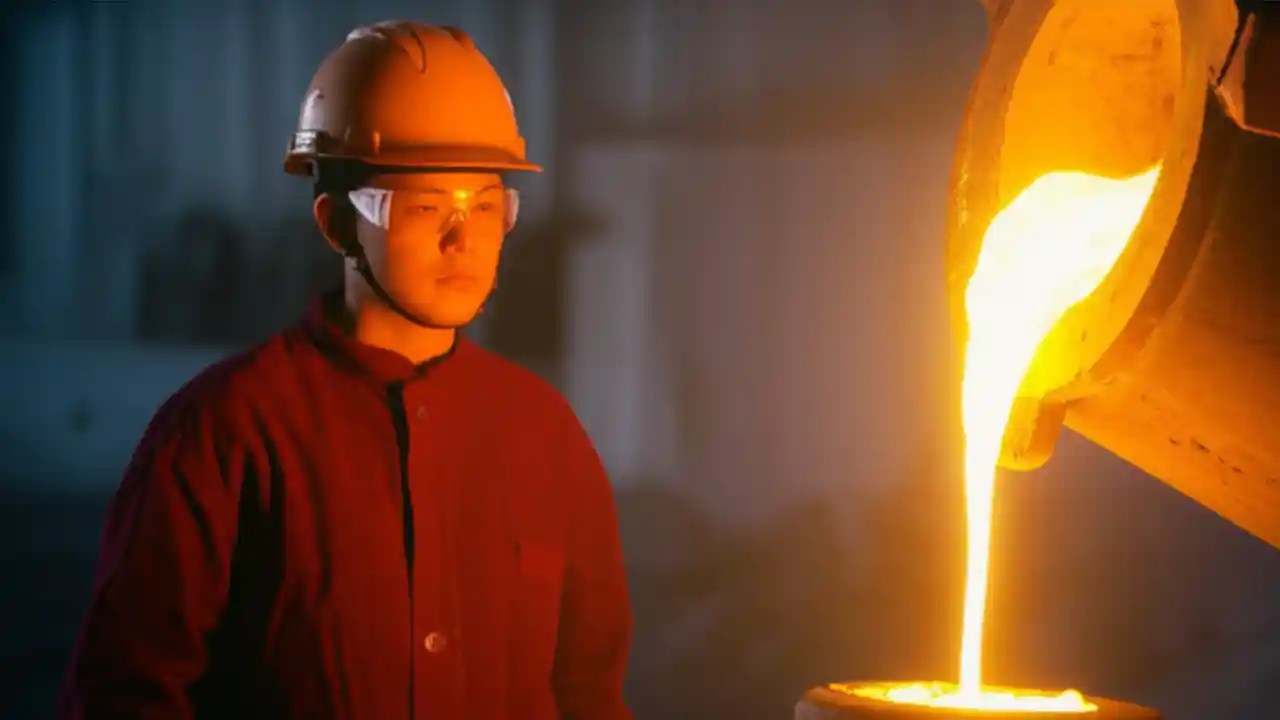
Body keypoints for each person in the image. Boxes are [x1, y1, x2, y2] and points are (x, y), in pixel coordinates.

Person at [58, 20, 633, 719]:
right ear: (336, 224)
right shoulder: (226, 434)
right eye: (426, 207)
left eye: (486, 207)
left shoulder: (544, 434)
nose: (465, 239)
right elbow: (126, 691)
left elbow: (591, 691)